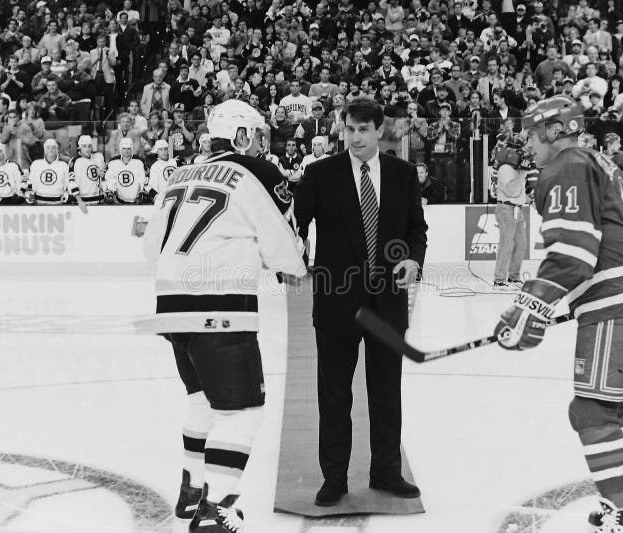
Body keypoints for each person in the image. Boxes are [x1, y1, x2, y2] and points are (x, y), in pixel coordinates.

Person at [494, 95, 623, 533]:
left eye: (531, 133)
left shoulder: (565, 166)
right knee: (619, 405)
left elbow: (573, 252)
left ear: (555, 130)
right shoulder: (598, 162)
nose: (526, 143)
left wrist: (530, 306)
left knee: (591, 412)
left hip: (619, 297)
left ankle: (622, 516)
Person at [141, 98, 306, 533]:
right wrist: (294, 266)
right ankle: (217, 509)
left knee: (201, 399)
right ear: (241, 135)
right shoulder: (257, 172)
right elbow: (280, 234)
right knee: (243, 410)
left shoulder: (178, 174)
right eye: (255, 135)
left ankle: (192, 490)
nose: (258, 143)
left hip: (171, 306)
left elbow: (151, 247)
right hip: (222, 306)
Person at [294, 96, 428, 507]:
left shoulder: (404, 175)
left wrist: (411, 259)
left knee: (386, 391)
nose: (355, 137)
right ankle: (334, 477)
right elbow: (297, 224)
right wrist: (294, 253)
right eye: (349, 129)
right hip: (337, 302)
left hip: (388, 302)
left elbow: (416, 229)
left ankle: (386, 472)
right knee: (334, 394)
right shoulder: (319, 174)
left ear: (379, 130)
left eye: (363, 130)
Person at [492, 134, 531, 289]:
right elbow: (510, 190)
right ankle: (499, 280)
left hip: (517, 209)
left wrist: (530, 199)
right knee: (506, 245)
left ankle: (514, 278)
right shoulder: (505, 168)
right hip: (506, 209)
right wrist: (524, 173)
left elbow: (519, 192)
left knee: (520, 245)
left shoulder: (515, 168)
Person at [26, 139, 75, 205]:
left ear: (57, 150)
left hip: (58, 203)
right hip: (39, 202)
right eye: (48, 147)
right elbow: (30, 182)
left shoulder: (64, 165)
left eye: (53, 147)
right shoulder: (36, 164)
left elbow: (68, 183)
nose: (51, 150)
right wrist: (29, 192)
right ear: (44, 149)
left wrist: (67, 193)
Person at [104, 137, 147, 204]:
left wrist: (140, 195)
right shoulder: (113, 162)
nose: (126, 151)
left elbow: (142, 180)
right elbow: (110, 180)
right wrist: (113, 196)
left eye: (128, 149)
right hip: (119, 199)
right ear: (120, 149)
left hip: (135, 199)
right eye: (124, 148)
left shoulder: (139, 162)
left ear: (132, 149)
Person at [69, 135, 107, 205]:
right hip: (83, 201)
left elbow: (104, 175)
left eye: (89, 146)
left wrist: (103, 174)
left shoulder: (98, 157)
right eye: (84, 146)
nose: (87, 149)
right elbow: (71, 183)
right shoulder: (74, 161)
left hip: (99, 200)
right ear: (80, 147)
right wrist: (79, 200)